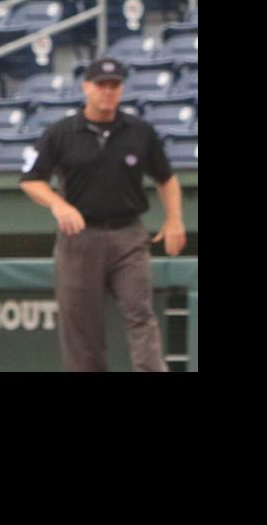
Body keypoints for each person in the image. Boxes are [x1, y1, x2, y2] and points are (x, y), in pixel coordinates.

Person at [17, 55, 186, 372]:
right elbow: (30, 179)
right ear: (86, 87)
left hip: (128, 234)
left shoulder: (139, 131)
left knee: (140, 313)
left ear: (121, 89)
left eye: (115, 85)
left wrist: (174, 219)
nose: (108, 91)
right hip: (80, 237)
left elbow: (166, 178)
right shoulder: (62, 132)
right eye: (102, 85)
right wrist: (59, 204)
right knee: (81, 324)